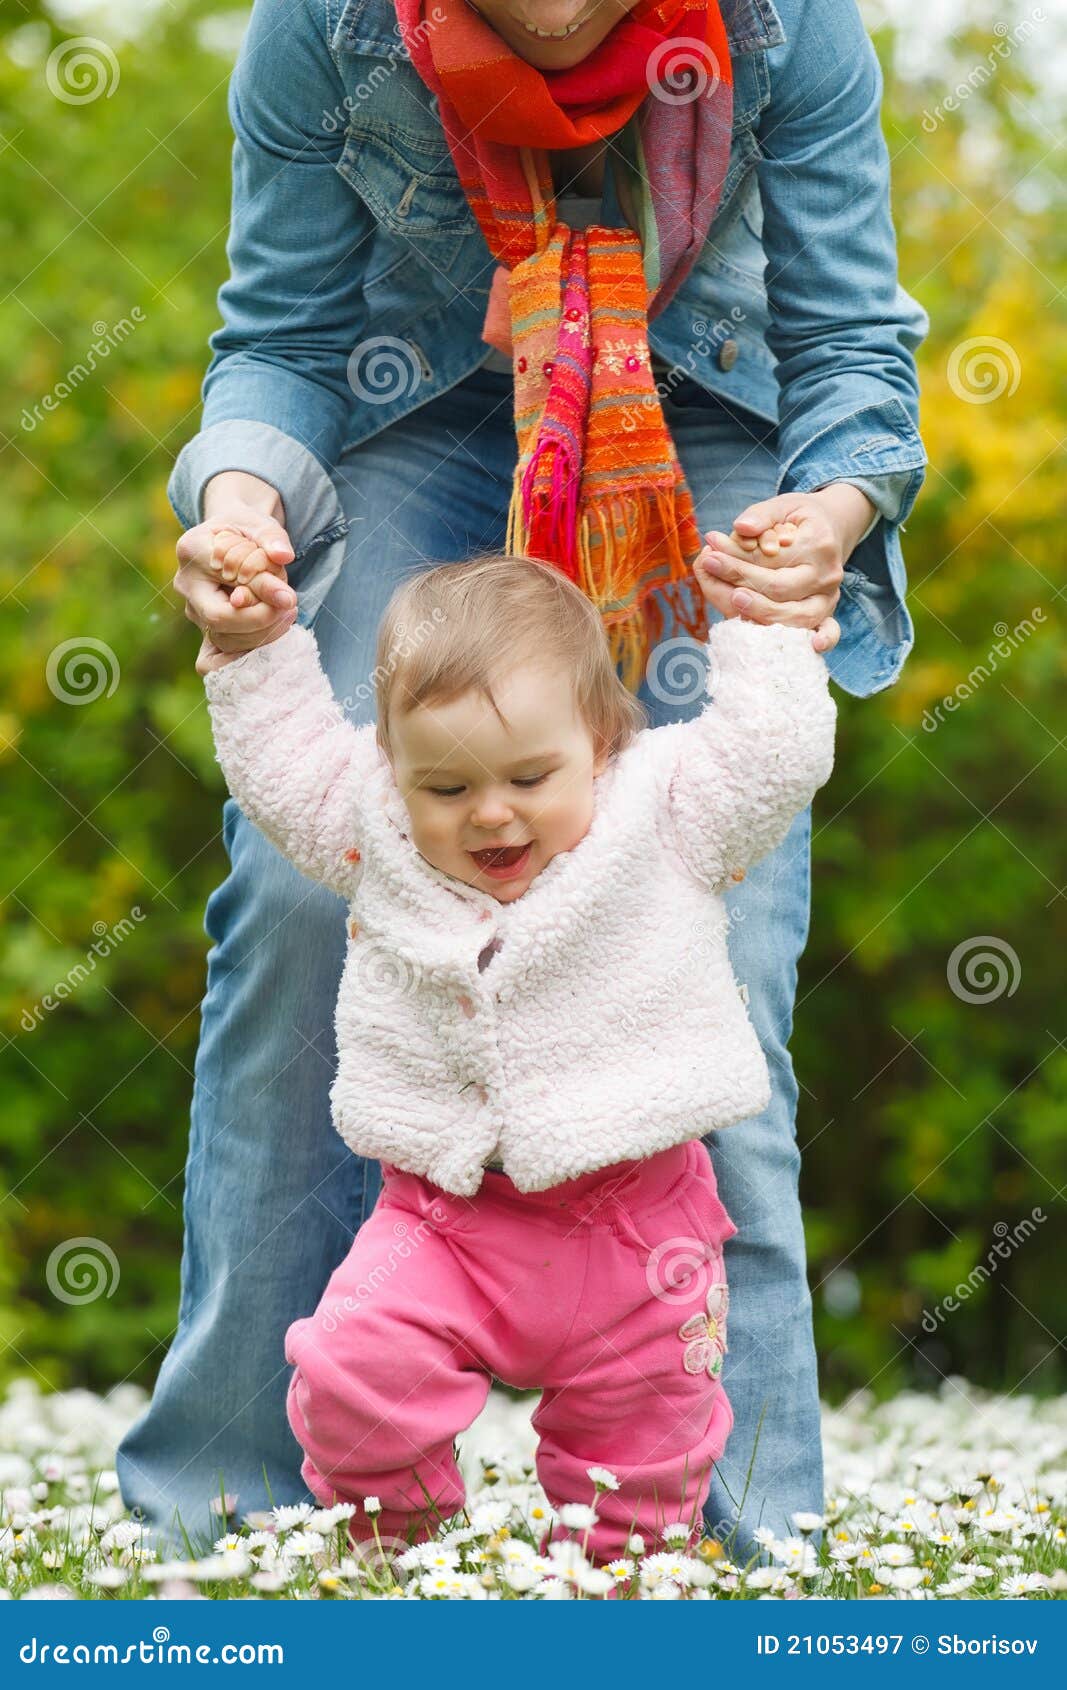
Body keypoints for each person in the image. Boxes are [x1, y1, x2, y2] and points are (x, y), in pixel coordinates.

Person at [117, 0, 928, 1559]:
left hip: (709, 426)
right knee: (306, 890)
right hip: (414, 417)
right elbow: (279, 342)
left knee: (710, 918)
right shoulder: (325, 33)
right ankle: (234, 1514)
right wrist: (234, 508)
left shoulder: (784, 29)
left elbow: (846, 349)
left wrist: (826, 519)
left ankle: (730, 1541)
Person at [197, 549, 837, 1566]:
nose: (489, 813)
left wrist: (763, 632)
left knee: (640, 1470)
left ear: (598, 742)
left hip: (638, 1231)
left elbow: (771, 758)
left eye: (528, 778)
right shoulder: (381, 830)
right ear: (392, 771)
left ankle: (609, 1603)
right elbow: (283, 766)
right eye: (444, 785)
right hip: (443, 1219)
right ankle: (398, 1554)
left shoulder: (664, 811)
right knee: (349, 1375)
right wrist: (248, 651)